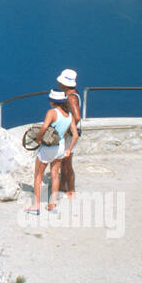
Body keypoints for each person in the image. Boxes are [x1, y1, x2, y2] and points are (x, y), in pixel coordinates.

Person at [31, 89, 78, 215]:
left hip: (49, 148)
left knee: (38, 176)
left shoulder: (52, 112)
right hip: (61, 148)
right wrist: (69, 149)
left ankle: (36, 206)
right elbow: (75, 135)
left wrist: (39, 139)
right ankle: (52, 205)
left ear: (52, 101)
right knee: (55, 175)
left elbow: (44, 127)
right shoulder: (69, 115)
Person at [56, 69, 82, 207]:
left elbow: (77, 116)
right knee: (64, 161)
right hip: (69, 134)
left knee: (67, 162)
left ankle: (71, 189)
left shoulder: (71, 97)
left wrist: (67, 129)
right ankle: (62, 187)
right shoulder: (72, 94)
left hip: (69, 135)